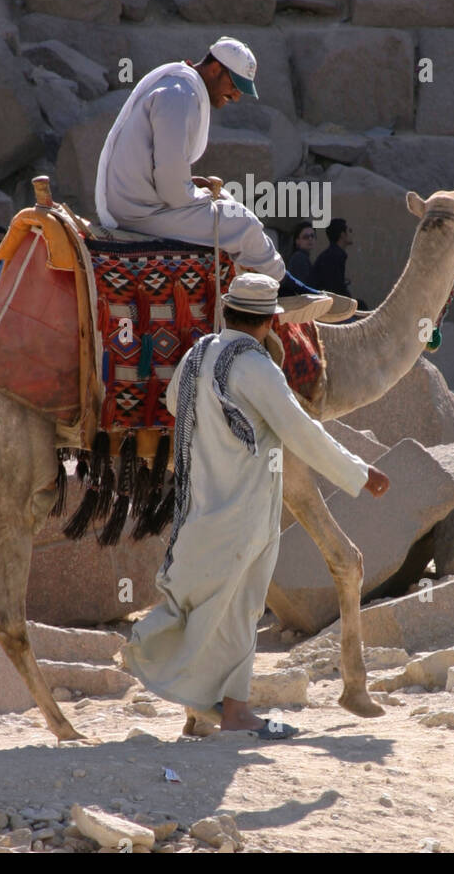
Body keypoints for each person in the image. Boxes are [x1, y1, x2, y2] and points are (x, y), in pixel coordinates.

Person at [123, 273, 391, 737]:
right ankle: (235, 711)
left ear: (227, 312)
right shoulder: (256, 368)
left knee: (203, 601)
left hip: (196, 506)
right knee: (241, 608)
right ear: (270, 322)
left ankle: (198, 712)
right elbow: (302, 433)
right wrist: (360, 473)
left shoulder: (196, 354)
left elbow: (171, 401)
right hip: (244, 509)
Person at [94, 37, 286, 280]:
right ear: (215, 69)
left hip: (137, 203)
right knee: (243, 224)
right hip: (140, 213)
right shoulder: (180, 95)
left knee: (227, 202)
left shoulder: (179, 88)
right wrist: (196, 194)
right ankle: (284, 286)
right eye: (235, 86)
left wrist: (193, 186)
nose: (236, 97)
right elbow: (173, 190)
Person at [312, 218, 354, 296]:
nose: (352, 234)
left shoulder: (332, 254)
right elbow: (335, 288)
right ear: (343, 234)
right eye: (350, 230)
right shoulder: (333, 256)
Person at [286, 221, 316, 288]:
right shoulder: (299, 258)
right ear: (297, 241)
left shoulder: (303, 257)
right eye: (305, 237)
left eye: (312, 236)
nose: (310, 239)